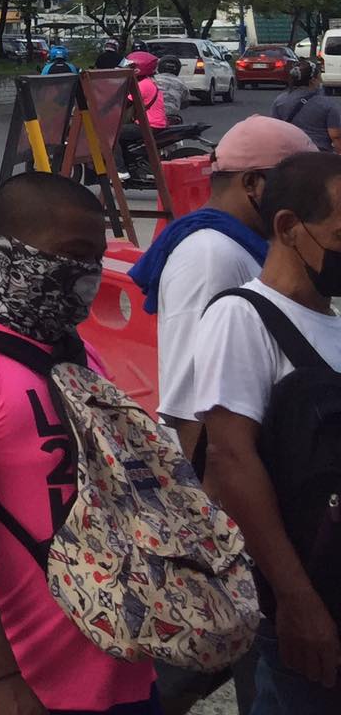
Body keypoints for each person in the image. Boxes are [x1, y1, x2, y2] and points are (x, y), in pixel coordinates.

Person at [0, 172, 156, 715]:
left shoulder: (76, 353)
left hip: (120, 666)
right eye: (72, 255)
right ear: (8, 252)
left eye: (95, 257)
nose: (87, 274)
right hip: (24, 684)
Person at [191, 151, 341, 709]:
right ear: (288, 228)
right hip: (298, 611)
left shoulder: (330, 323)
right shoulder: (243, 317)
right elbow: (231, 462)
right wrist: (297, 601)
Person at [136, 116, 314, 461]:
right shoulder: (210, 256)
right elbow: (192, 405)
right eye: (302, 189)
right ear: (253, 183)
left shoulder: (244, 246)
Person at [272, 60, 341, 155]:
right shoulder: (327, 104)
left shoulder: (280, 101)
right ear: (312, 81)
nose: (321, 81)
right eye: (319, 78)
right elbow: (335, 136)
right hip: (319, 155)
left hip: (289, 155)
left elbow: (275, 129)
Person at [157, 55, 191, 126]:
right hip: (171, 118)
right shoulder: (182, 83)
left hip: (150, 117)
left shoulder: (152, 80)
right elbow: (185, 104)